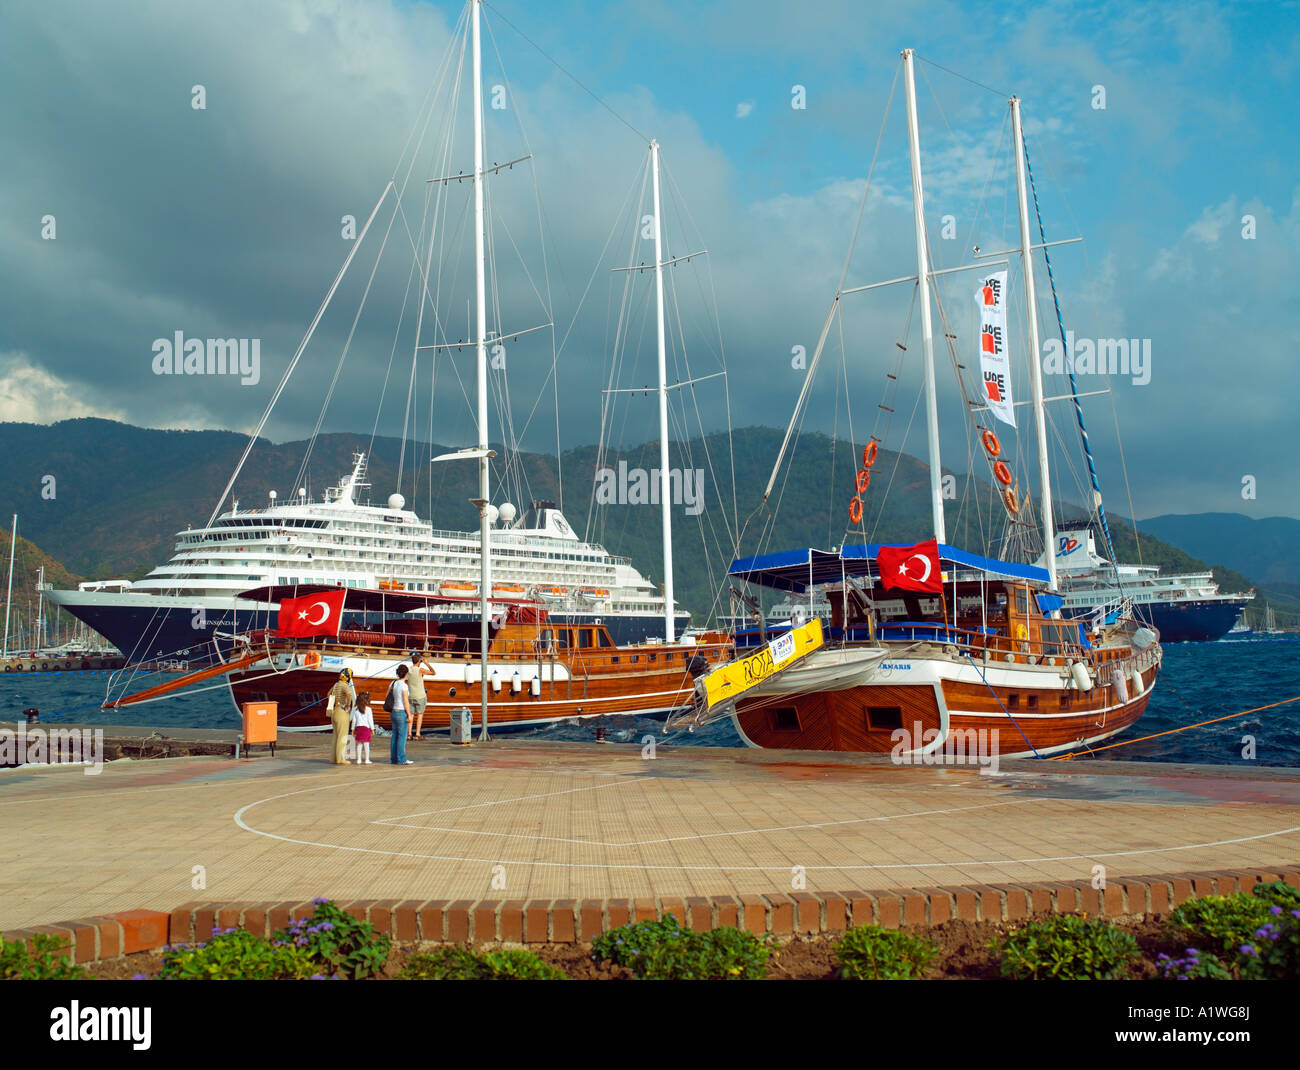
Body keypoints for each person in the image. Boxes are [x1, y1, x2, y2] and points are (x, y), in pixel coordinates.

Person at [326, 668, 355, 765]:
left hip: (334, 711)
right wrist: (348, 705)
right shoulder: (344, 685)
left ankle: (334, 758)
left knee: (335, 736)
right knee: (342, 737)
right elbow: (350, 695)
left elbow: (328, 694)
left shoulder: (336, 685)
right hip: (342, 712)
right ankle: (341, 759)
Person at [387, 664, 414, 765]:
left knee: (394, 736)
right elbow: (406, 702)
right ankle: (402, 759)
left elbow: (387, 696)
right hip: (402, 712)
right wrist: (409, 715)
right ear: (406, 674)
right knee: (402, 737)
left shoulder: (393, 683)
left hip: (393, 711)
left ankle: (394, 759)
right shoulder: (404, 686)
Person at [406, 650, 432, 740]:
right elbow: (433, 672)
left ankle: (409, 734)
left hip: (411, 696)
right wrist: (427, 664)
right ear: (419, 662)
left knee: (411, 715)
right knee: (420, 715)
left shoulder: (408, 669)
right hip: (420, 696)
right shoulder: (421, 670)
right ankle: (417, 734)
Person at [350, 691, 376, 765]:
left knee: (359, 744)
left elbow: (354, 721)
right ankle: (367, 759)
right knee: (366, 745)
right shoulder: (368, 709)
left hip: (359, 729)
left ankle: (359, 759)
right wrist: (373, 729)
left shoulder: (356, 710)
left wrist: (352, 729)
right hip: (366, 729)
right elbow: (370, 720)